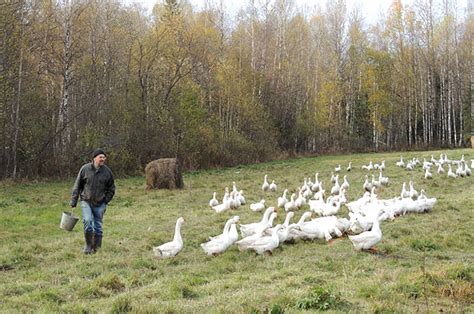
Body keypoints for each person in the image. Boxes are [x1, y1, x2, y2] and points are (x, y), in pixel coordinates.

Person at [70, 148, 115, 254]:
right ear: (94, 158)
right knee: (88, 221)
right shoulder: (85, 169)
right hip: (86, 201)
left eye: (104, 157)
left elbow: (112, 188)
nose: (103, 159)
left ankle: (97, 248)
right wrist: (73, 201)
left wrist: (106, 200)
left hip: (100, 203)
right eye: (101, 157)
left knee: (98, 225)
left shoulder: (107, 172)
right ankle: (88, 246)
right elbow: (77, 186)